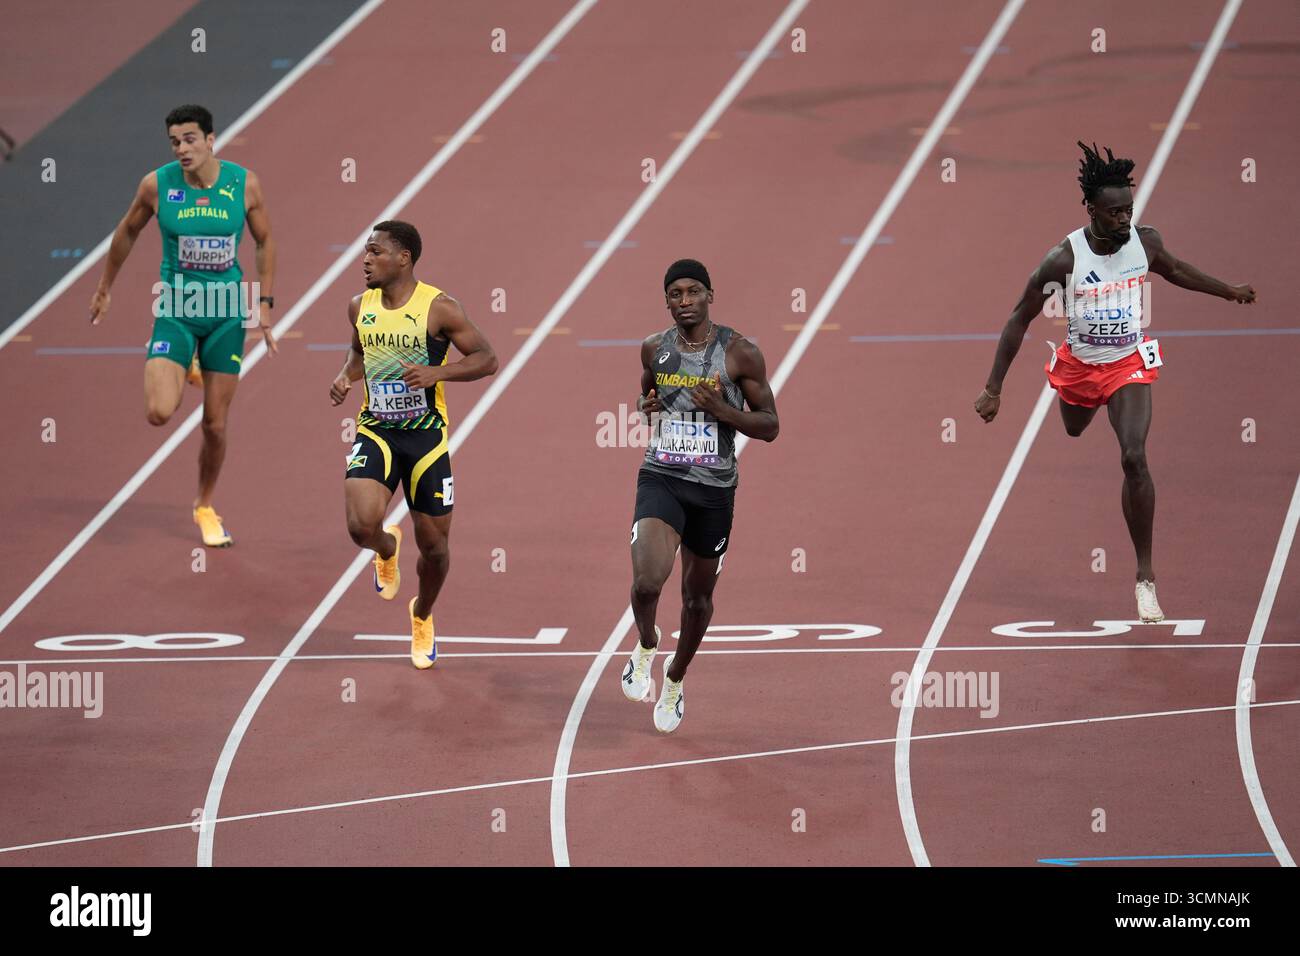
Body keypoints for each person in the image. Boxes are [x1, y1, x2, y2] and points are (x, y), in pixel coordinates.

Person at [974, 141, 1256, 621]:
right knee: (1073, 427)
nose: (1124, 220)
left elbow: (1177, 270)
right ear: (1091, 211)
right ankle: (1075, 402)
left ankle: (1145, 578)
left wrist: (1227, 291)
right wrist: (993, 387)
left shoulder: (1144, 243)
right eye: (1113, 213)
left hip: (1128, 363)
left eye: (1128, 210)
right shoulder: (1064, 260)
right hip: (1081, 368)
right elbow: (1018, 318)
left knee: (1133, 456)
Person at [89, 103, 277, 547]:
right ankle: (182, 360)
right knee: (158, 413)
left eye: (190, 139)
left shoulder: (243, 183)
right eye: (175, 141)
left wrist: (265, 303)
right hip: (176, 308)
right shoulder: (157, 186)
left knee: (214, 424)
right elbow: (127, 231)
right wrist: (104, 286)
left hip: (227, 313)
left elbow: (265, 239)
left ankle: (205, 505)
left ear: (211, 140)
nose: (182, 149)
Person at [620, 259, 779, 732]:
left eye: (692, 292)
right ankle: (647, 644)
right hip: (662, 476)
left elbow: (770, 425)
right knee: (648, 581)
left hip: (713, 492)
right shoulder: (654, 349)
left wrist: (724, 412)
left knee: (696, 599)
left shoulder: (741, 353)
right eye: (675, 294)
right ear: (666, 301)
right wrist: (644, 407)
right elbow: (647, 396)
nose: (684, 302)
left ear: (710, 295)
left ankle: (675, 677)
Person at [330, 221, 498, 669]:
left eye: (374, 252)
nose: (364, 260)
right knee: (360, 527)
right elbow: (359, 350)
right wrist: (346, 376)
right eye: (365, 252)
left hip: (425, 438)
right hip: (376, 430)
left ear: (403, 258)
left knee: (436, 550)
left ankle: (421, 613)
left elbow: (487, 359)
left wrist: (437, 374)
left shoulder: (439, 308)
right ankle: (386, 548)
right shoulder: (358, 306)